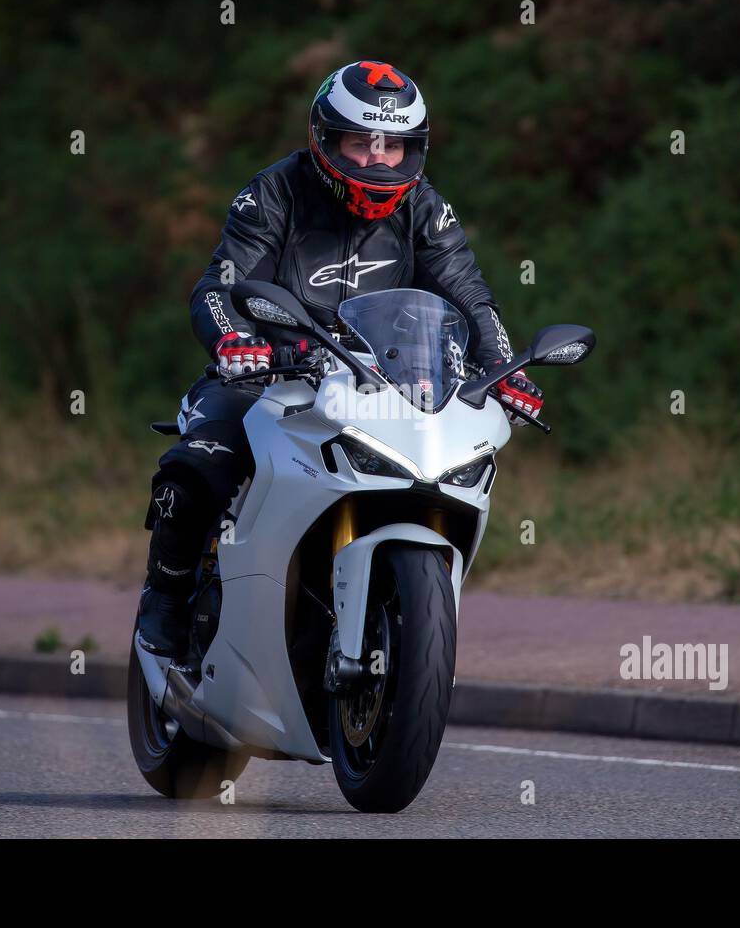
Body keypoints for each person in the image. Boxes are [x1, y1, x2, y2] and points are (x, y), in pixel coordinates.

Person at [136, 60, 544, 661]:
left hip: (387, 381)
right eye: (363, 143)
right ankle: (164, 601)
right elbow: (220, 288)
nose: (380, 161)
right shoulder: (271, 195)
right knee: (204, 461)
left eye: (395, 146)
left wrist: (509, 368)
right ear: (324, 139)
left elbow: (470, 297)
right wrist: (235, 341)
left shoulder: (427, 209)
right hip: (273, 370)